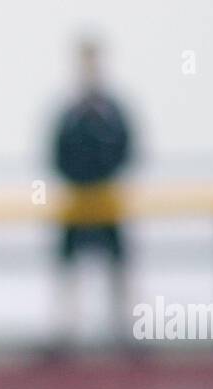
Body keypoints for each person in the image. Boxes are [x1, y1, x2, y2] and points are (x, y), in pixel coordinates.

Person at [51, 36, 134, 355]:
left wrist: (105, 181)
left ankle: (122, 330)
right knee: (68, 266)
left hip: (107, 201)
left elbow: (127, 149)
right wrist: (78, 182)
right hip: (76, 201)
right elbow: (56, 153)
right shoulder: (70, 111)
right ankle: (66, 333)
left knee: (118, 265)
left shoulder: (112, 110)